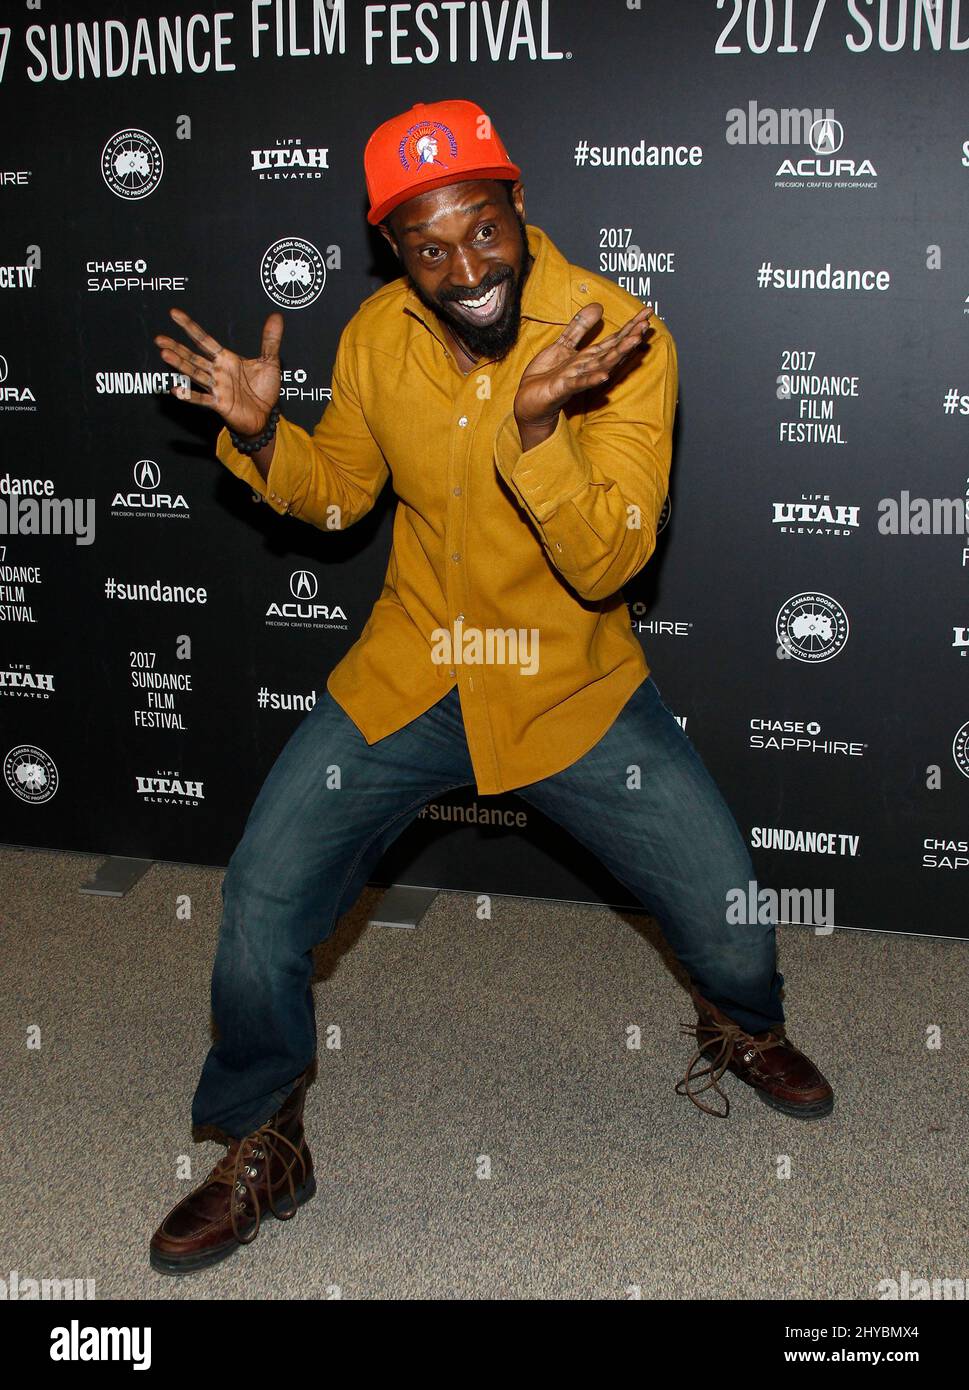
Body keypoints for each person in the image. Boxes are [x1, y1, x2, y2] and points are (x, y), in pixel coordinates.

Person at [148, 99, 833, 1277]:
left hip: (570, 683)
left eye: (482, 227)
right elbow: (343, 498)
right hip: (415, 667)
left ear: (519, 209)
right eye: (428, 244)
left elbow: (613, 558)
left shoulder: (617, 335)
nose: (464, 266)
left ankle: (743, 1022)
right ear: (391, 251)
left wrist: (535, 432)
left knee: (729, 916)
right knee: (262, 896)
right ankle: (263, 1133)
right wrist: (267, 444)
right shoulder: (374, 336)